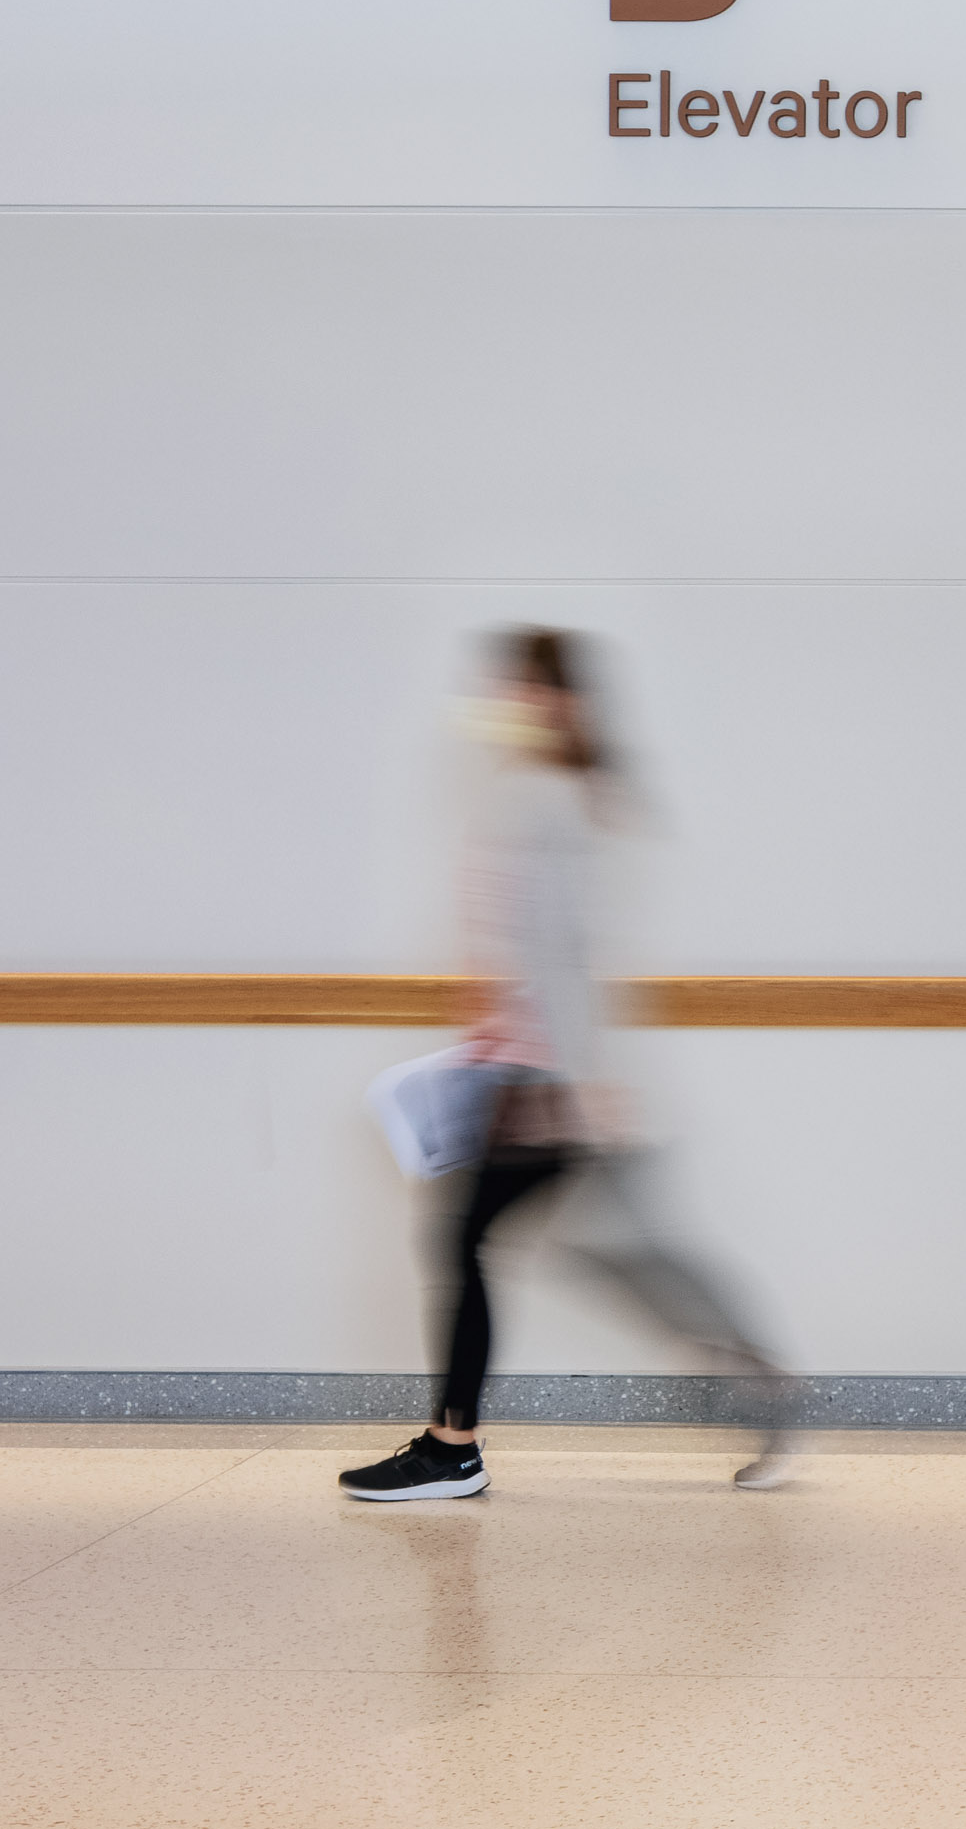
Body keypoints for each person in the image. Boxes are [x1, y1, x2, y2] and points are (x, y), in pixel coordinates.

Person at [339, 628, 800, 1506]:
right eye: (505, 690)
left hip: (543, 1080)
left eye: (526, 690)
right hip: (528, 1070)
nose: (507, 706)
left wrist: (571, 1083)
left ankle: (453, 1448)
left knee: (480, 1240)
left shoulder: (544, 804)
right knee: (605, 1245)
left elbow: (560, 954)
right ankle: (756, 1375)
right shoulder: (548, 796)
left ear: (563, 704)